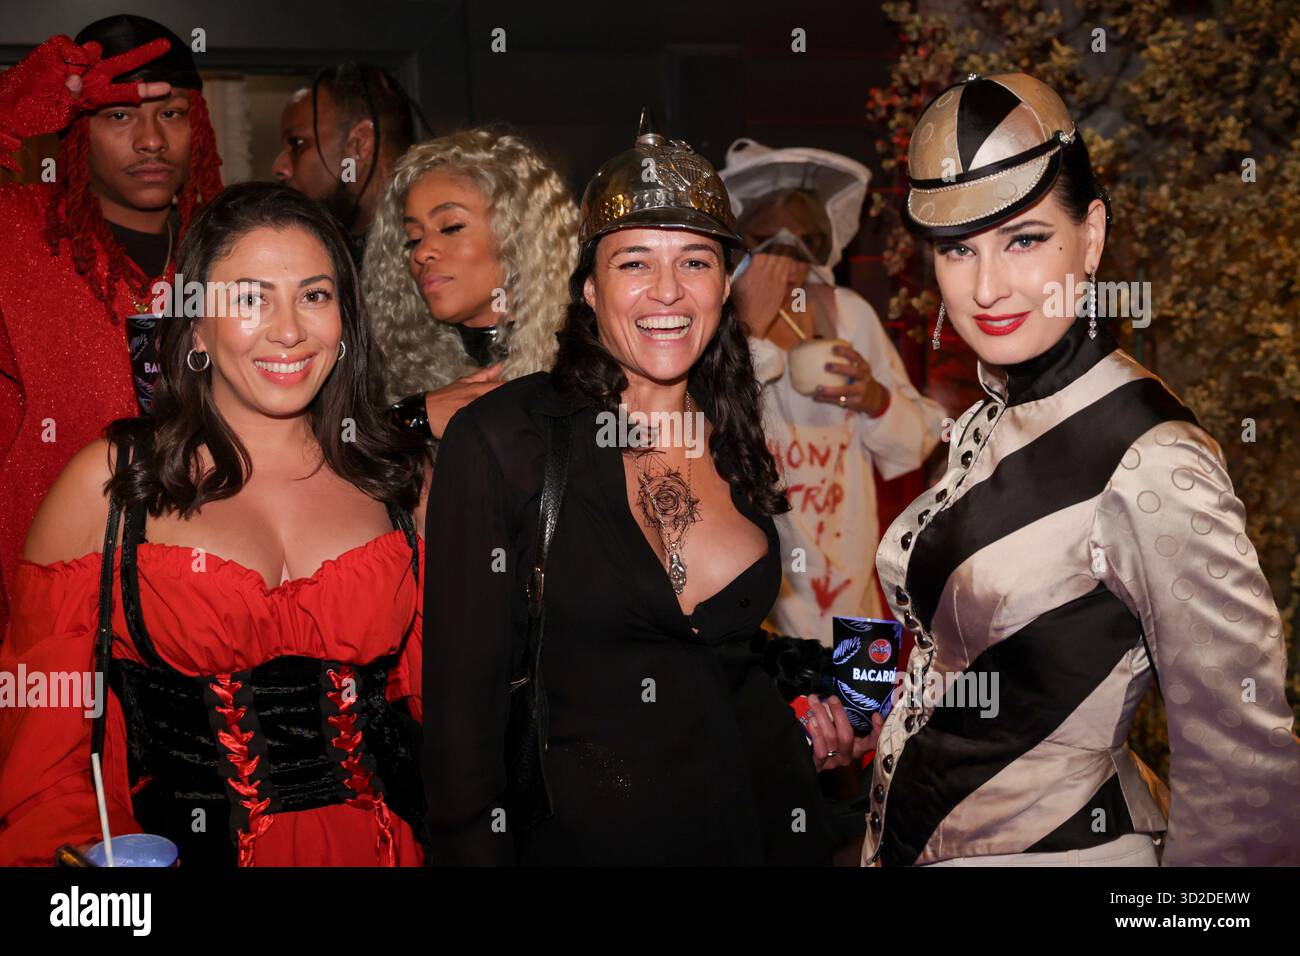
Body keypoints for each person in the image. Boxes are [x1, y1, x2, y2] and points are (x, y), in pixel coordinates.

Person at [421, 110, 880, 866]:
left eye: (696, 262)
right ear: (590, 291)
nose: (668, 292)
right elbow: (459, 731)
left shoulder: (735, 428)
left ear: (723, 287)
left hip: (759, 826)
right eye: (634, 262)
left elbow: (712, 655)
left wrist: (807, 707)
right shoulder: (506, 440)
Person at [863, 72, 1300, 866]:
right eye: (959, 250)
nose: (987, 287)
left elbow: (1245, 766)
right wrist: (855, 697)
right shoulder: (995, 409)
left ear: (1091, 236)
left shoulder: (1152, 457)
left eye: (1024, 240)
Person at [0, 182, 430, 866]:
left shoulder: (402, 480)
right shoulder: (108, 485)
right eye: (250, 297)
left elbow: (453, 722)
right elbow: (40, 762)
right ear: (196, 325)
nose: (288, 329)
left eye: (315, 295)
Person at [0, 15, 223, 632]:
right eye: (119, 116)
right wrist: (13, 107)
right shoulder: (17, 229)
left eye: (171, 113)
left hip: (207, 607)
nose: (151, 140)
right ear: (76, 129)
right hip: (51, 606)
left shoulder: (233, 246)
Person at [721, 139, 946, 643]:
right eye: (768, 240)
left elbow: (917, 441)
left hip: (854, 602)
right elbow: (707, 432)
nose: (787, 258)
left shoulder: (849, 314)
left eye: (804, 241)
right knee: (780, 722)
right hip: (758, 609)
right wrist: (750, 333)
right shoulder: (717, 327)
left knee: (861, 718)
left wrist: (875, 401)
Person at [363, 128, 578, 442]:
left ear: (518, 235)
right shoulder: (381, 372)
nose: (422, 253)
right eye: (414, 238)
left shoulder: (590, 364)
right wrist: (412, 418)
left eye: (450, 227)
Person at [271, 62, 423, 264]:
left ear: (359, 144)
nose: (279, 167)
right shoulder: (335, 256)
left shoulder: (429, 255)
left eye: (297, 144)